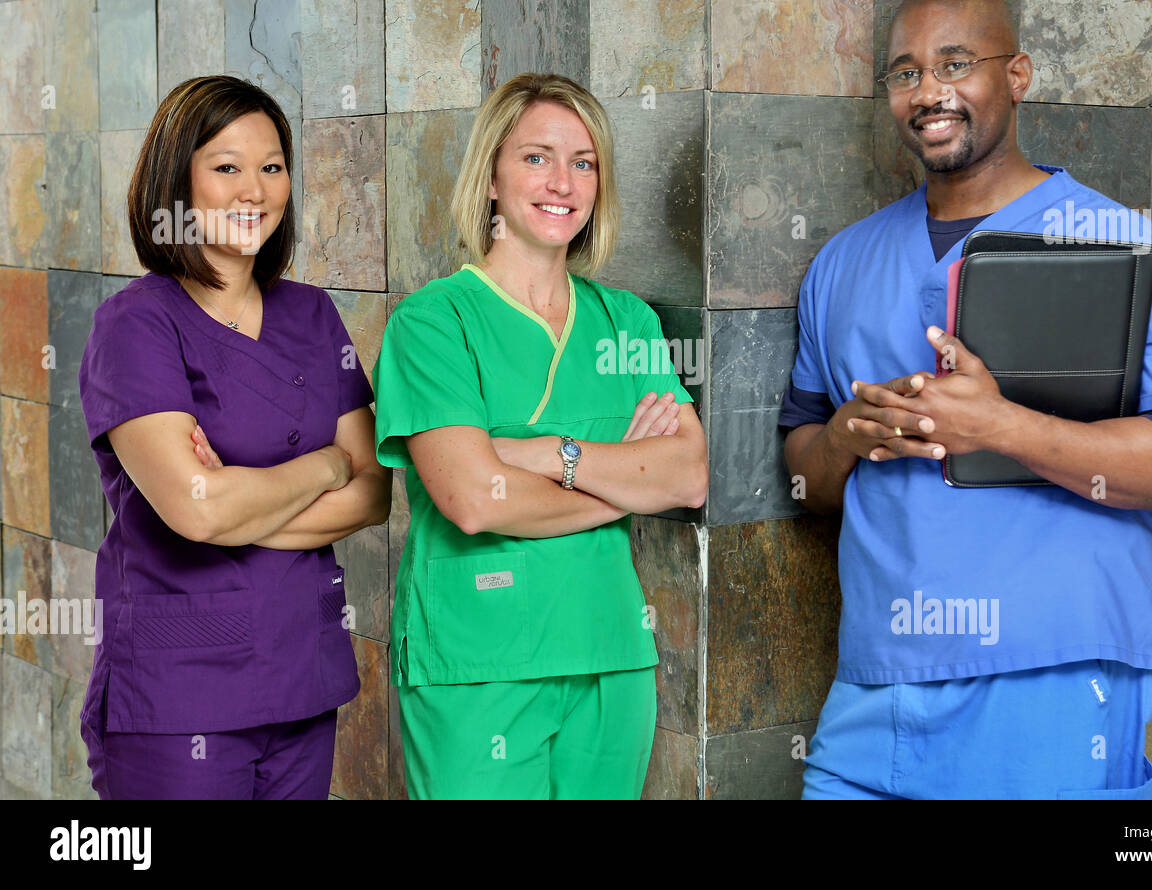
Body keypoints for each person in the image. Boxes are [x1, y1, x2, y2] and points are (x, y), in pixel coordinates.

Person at [781, 0, 1152, 799]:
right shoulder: (842, 264)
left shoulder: (1125, 246)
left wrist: (999, 427)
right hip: (875, 690)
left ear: (1017, 74)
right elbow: (806, 480)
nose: (930, 92)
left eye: (956, 62)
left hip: (1051, 679)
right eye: (906, 72)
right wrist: (846, 436)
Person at [373, 72, 708, 800]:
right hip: (478, 663)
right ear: (491, 176)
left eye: (583, 162)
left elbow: (686, 476)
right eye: (536, 157)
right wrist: (621, 486)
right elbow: (473, 500)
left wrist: (546, 454)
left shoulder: (628, 323)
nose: (563, 181)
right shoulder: (433, 325)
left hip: (609, 658)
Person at [77, 75, 391, 799]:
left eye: (272, 166)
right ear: (175, 182)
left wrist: (238, 503)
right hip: (176, 695)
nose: (255, 190)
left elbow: (374, 491)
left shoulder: (311, 316)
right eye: (226, 167)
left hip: (302, 681)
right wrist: (321, 466)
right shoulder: (136, 325)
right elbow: (199, 511)